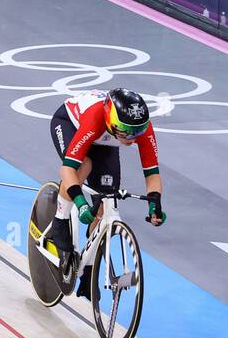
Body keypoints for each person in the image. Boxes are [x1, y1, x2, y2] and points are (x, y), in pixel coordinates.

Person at [41, 88, 165, 269]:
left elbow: (152, 172)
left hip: (105, 140)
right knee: (83, 165)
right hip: (72, 125)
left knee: (105, 202)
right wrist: (81, 203)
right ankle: (59, 221)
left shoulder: (139, 128)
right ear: (112, 121)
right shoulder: (96, 117)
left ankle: (89, 267)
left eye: (136, 134)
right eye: (127, 133)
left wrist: (155, 203)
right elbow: (67, 169)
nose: (132, 139)